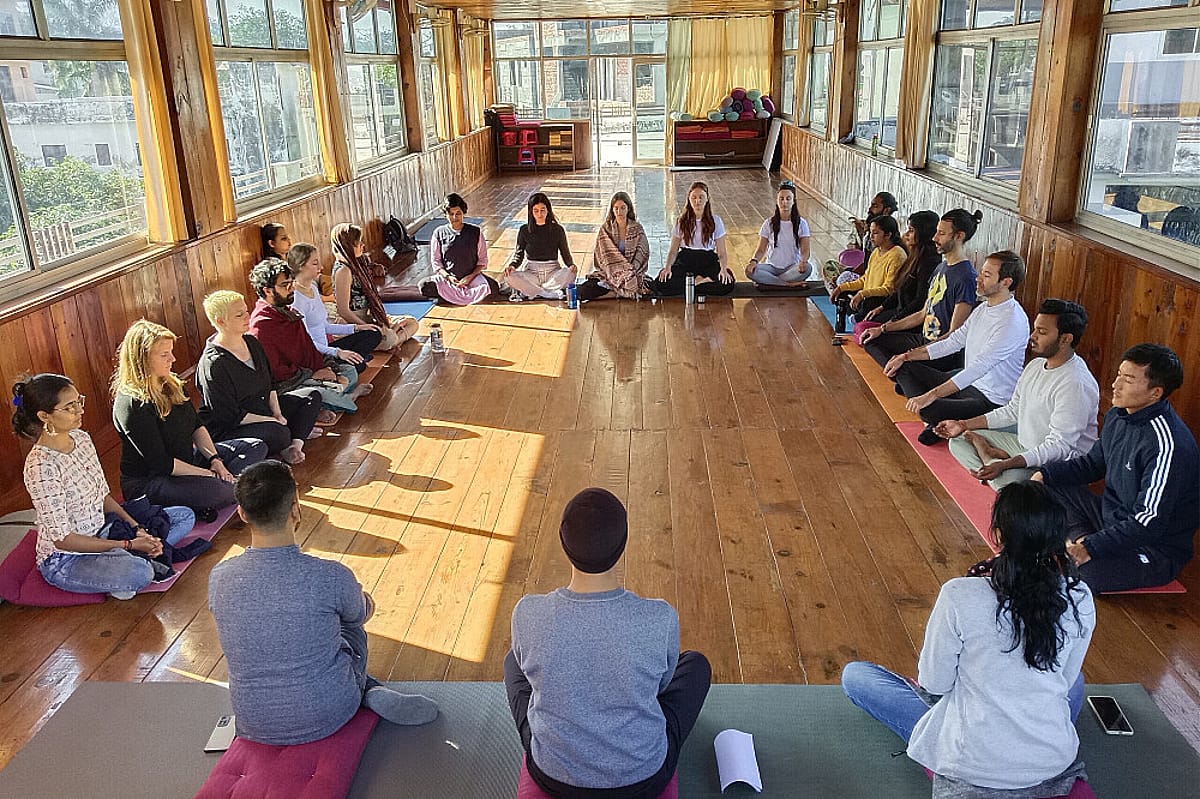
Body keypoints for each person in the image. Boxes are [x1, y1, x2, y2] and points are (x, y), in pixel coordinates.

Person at [842, 481, 1095, 798]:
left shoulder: (961, 594)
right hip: (1050, 761)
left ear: (1000, 536)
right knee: (1075, 683)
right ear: (1060, 539)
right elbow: (1068, 677)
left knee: (856, 676)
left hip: (969, 762)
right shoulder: (1079, 596)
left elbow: (934, 684)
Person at [208, 460, 439, 745]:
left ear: (242, 513)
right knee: (349, 625)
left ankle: (361, 688)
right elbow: (361, 613)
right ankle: (366, 688)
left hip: (253, 721)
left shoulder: (219, 577)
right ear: (296, 508)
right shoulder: (330, 575)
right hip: (330, 713)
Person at [505, 488, 711, 797]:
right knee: (696, 665)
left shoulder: (528, 613)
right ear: (623, 543)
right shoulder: (659, 617)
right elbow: (664, 685)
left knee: (513, 661)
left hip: (552, 774)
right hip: (643, 777)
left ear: (563, 542)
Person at [1033, 344, 1199, 593]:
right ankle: (1079, 541)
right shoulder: (1117, 415)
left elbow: (1148, 522)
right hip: (1110, 519)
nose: (1116, 384)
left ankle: (1078, 544)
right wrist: (1043, 475)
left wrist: (1090, 548)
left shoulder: (1168, 445)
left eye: (1128, 379)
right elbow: (1092, 465)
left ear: (1155, 393)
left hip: (1153, 546)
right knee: (1046, 488)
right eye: (1119, 374)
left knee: (1087, 575)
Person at [15, 374, 195, 599]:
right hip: (68, 558)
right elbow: (63, 539)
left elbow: (104, 496)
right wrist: (129, 544)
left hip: (105, 530)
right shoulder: (41, 467)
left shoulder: (81, 439)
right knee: (140, 573)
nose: (80, 410)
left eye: (79, 401)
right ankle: (133, 559)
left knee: (184, 516)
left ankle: (131, 556)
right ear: (44, 416)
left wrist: (137, 528)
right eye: (70, 407)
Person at [935, 299, 1099, 490]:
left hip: (1056, 464)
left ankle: (992, 464)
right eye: (1035, 329)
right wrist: (962, 424)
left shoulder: (1075, 383)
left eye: (1042, 332)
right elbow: (1013, 410)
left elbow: (1060, 447)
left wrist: (1006, 464)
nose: (1033, 336)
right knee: (957, 440)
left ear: (1066, 339)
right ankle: (995, 470)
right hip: (1023, 444)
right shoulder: (1037, 364)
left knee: (1010, 482)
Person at [112, 320, 267, 515]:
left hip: (187, 461)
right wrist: (208, 475)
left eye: (171, 352)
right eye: (164, 355)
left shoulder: (172, 383)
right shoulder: (132, 404)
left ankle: (232, 483)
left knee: (255, 446)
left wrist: (215, 460)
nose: (173, 359)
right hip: (153, 480)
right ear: (142, 359)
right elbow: (161, 463)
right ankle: (234, 485)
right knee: (222, 490)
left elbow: (196, 425)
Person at [883, 250, 1030, 445]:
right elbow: (954, 341)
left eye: (986, 275)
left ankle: (937, 418)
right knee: (902, 366)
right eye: (981, 272)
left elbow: (979, 367)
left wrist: (930, 395)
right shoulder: (983, 309)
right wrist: (906, 356)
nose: (978, 279)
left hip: (988, 400)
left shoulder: (1012, 321)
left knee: (927, 408)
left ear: (1006, 282)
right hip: (966, 386)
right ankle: (940, 421)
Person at [197, 290, 324, 466]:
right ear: (220, 321)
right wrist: (273, 420)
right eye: (239, 315)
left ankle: (294, 446)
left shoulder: (251, 342)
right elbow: (229, 416)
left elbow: (270, 383)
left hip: (263, 410)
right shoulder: (214, 364)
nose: (246, 317)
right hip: (234, 426)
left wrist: (277, 412)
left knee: (311, 397)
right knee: (278, 432)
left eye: (246, 311)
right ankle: (289, 438)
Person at [860, 209, 984, 371]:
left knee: (904, 366)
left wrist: (911, 355)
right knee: (872, 340)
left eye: (941, 234)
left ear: (959, 236)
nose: (935, 238)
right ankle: (905, 374)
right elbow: (922, 313)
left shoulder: (966, 277)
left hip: (940, 353)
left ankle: (910, 375)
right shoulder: (941, 267)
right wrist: (882, 328)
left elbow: (954, 336)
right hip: (923, 339)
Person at [248, 258, 367, 415]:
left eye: (291, 283)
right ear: (267, 291)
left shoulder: (288, 312)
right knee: (316, 395)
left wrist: (328, 368)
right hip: (289, 384)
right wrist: (312, 375)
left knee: (349, 370)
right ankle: (348, 397)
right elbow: (277, 372)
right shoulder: (261, 325)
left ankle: (330, 403)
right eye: (285, 285)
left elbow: (309, 349)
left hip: (308, 374)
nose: (292, 289)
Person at [287, 242, 383, 373]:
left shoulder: (313, 288)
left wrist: (357, 328)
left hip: (327, 349)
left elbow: (325, 327)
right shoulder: (296, 300)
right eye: (315, 263)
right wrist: (338, 352)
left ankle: (351, 361)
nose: (321, 267)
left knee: (373, 333)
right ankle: (347, 363)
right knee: (358, 367)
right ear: (300, 266)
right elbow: (306, 343)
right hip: (315, 355)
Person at [331, 223, 420, 350]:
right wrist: (368, 328)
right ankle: (393, 340)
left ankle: (393, 339)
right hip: (353, 322)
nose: (362, 245)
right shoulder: (344, 271)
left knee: (412, 322)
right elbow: (343, 311)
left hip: (368, 316)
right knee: (389, 339)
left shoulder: (358, 263)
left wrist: (380, 324)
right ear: (348, 246)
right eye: (358, 243)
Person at [857, 210, 941, 333]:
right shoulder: (915, 255)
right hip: (899, 310)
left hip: (910, 319)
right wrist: (881, 308)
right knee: (864, 322)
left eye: (911, 230)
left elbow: (919, 302)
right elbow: (900, 290)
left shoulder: (929, 262)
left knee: (864, 330)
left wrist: (893, 322)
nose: (907, 234)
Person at [650, 181, 735, 298]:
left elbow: (722, 252)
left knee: (728, 283)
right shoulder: (681, 221)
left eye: (701, 197)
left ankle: (690, 285)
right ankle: (699, 283)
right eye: (694, 197)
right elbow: (673, 250)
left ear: (707, 199)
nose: (697, 201)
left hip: (707, 260)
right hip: (686, 260)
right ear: (689, 199)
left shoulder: (716, 221)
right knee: (662, 283)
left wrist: (723, 269)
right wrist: (668, 267)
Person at [419, 193, 500, 305]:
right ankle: (454, 294)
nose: (454, 217)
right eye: (451, 214)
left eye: (458, 213)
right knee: (424, 286)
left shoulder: (475, 232)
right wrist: (448, 277)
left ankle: (449, 296)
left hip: (471, 277)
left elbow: (482, 261)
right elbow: (436, 261)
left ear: (463, 213)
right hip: (448, 279)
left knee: (493, 287)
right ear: (446, 215)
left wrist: (470, 277)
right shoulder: (438, 233)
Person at [830, 215, 905, 322]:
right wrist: (841, 288)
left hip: (882, 299)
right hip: (868, 295)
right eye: (870, 232)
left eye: (875, 233)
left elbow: (889, 289)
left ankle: (859, 317)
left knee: (869, 302)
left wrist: (863, 294)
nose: (871, 236)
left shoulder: (897, 255)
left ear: (888, 235)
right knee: (843, 293)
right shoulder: (876, 252)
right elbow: (865, 279)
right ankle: (857, 316)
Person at [504, 192, 577, 301]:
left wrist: (571, 265)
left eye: (542, 210)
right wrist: (512, 266)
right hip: (532, 272)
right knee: (508, 276)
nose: (539, 214)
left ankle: (533, 292)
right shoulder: (524, 230)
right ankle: (546, 293)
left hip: (553, 272)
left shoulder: (558, 230)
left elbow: (565, 252)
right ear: (531, 212)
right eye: (536, 211)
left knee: (571, 273)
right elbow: (519, 254)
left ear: (548, 210)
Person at [578, 191, 651, 301]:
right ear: (612, 210)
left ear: (628, 209)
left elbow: (642, 255)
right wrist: (616, 273)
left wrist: (628, 272)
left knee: (651, 287)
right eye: (616, 208)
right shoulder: (606, 229)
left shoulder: (637, 229)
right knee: (584, 291)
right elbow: (603, 257)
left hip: (631, 273)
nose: (619, 211)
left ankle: (616, 292)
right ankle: (622, 292)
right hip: (609, 274)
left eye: (622, 208)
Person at [744, 181, 815, 290]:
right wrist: (753, 262)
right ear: (777, 201)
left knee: (808, 268)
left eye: (788, 199)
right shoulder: (769, 223)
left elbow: (805, 249)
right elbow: (761, 249)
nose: (784, 202)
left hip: (792, 267)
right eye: (781, 199)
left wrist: (803, 261)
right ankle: (788, 285)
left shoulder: (801, 223)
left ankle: (770, 283)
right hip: (771, 267)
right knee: (750, 272)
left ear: (793, 201)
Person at [851, 190, 898, 258]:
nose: (870, 209)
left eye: (875, 206)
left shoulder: (887, 233)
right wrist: (861, 234)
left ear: (887, 210)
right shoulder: (871, 229)